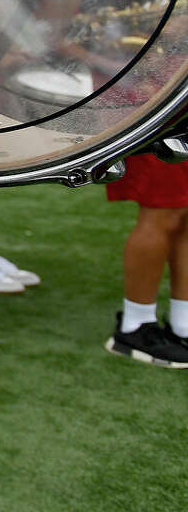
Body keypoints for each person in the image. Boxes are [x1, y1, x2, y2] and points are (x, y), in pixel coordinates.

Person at [103, 154, 188, 366]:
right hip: (161, 125)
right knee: (164, 208)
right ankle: (135, 326)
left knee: (184, 210)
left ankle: (183, 324)